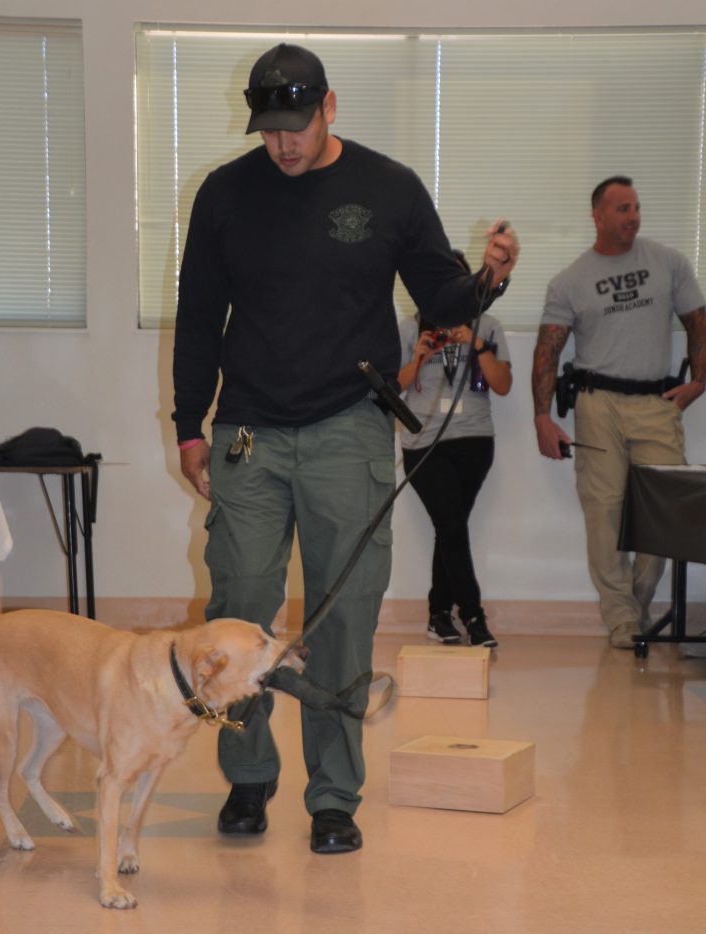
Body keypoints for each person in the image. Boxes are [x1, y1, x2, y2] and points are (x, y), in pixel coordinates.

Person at [173, 42, 518, 854]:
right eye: (269, 129)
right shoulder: (224, 194)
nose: (283, 143)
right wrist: (190, 424)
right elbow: (198, 318)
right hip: (250, 429)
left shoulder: (388, 187)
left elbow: (441, 295)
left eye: (296, 125)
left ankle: (333, 797)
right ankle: (248, 779)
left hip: (348, 424)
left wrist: (486, 280)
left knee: (343, 617)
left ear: (330, 106)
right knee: (239, 610)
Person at [532, 175, 706, 649]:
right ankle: (622, 619)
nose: (633, 217)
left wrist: (699, 381)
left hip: (656, 402)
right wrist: (542, 417)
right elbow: (548, 350)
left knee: (666, 508)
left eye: (636, 208)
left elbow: (697, 320)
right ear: (598, 216)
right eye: (623, 209)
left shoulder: (668, 263)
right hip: (598, 404)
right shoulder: (569, 281)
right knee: (604, 509)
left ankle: (639, 604)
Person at [398, 252, 512, 650]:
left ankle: (439, 614)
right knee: (451, 525)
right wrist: (419, 357)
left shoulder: (488, 325)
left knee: (451, 528)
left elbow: (502, 385)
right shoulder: (410, 329)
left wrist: (477, 344)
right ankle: (474, 616)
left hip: (475, 440)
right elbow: (393, 386)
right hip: (423, 442)